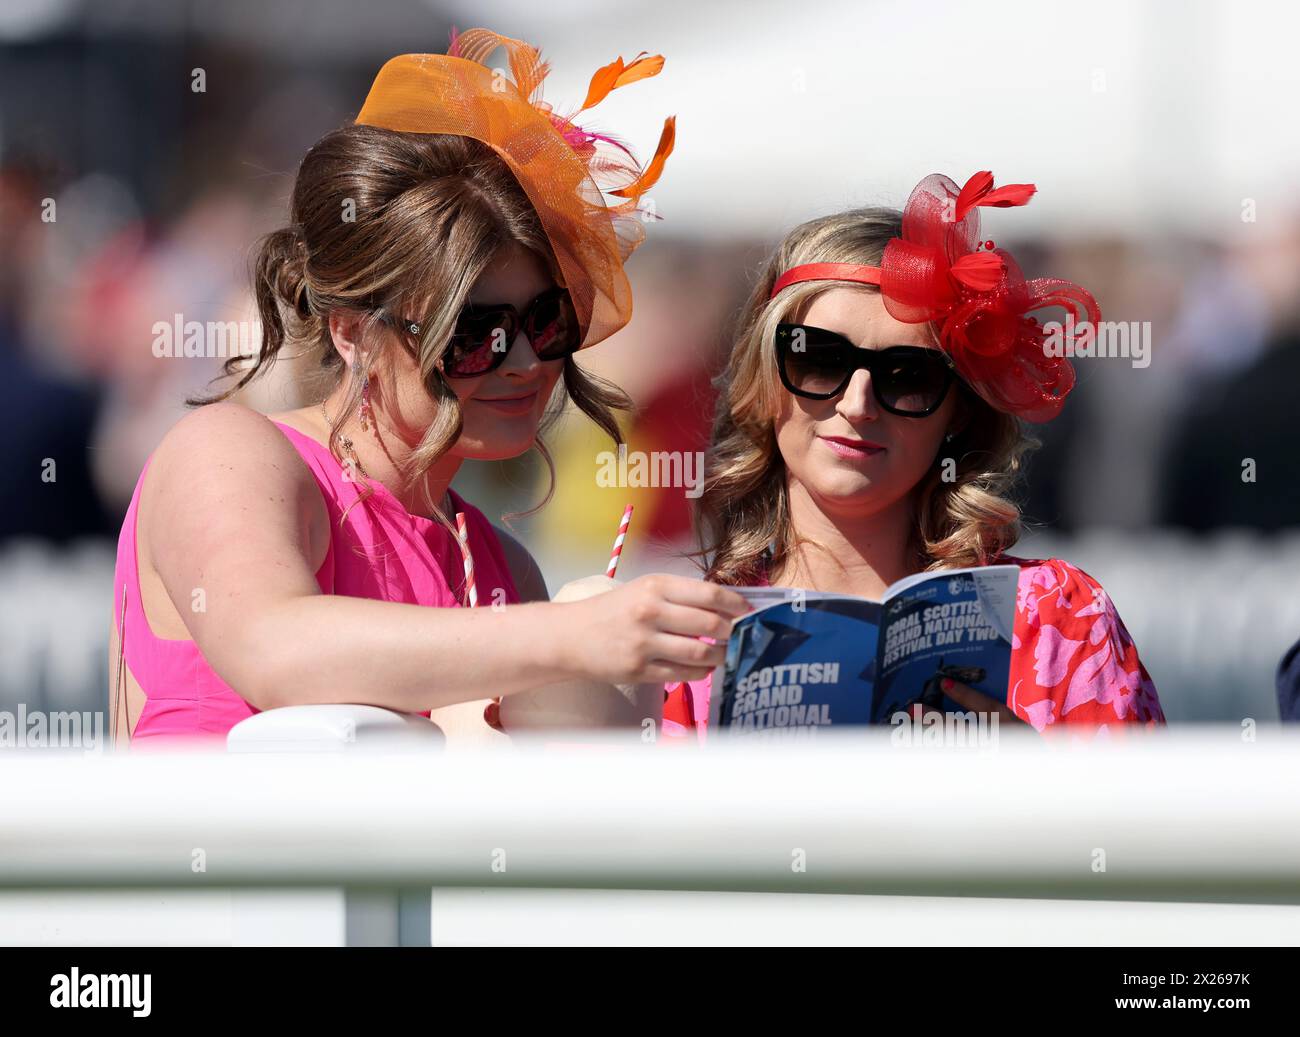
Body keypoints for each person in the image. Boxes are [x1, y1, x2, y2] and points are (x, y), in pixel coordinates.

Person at [108, 28, 749, 745]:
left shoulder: (506, 568)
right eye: (474, 331)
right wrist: (572, 635)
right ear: (351, 330)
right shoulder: (230, 451)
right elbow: (273, 648)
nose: (525, 360)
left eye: (546, 317)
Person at [664, 171, 1165, 739]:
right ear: (763, 379)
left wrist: (1034, 780)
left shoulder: (1061, 620)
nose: (858, 403)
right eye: (819, 360)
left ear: (958, 412)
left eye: (908, 375)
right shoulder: (683, 640)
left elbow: (1156, 826)